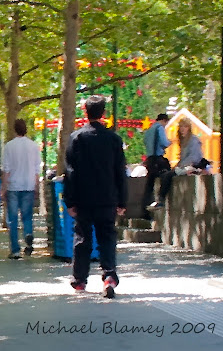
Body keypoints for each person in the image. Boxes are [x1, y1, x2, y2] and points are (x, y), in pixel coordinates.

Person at [64, 96, 127, 299]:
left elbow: (70, 172)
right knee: (107, 236)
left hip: (83, 198)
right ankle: (109, 275)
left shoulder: (77, 138)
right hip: (107, 197)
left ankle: (80, 279)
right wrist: (122, 200)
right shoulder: (114, 140)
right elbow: (120, 172)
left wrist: (70, 200)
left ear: (85, 112)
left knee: (82, 237)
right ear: (104, 113)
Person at [0, 119, 40, 259]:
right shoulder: (33, 146)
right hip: (28, 184)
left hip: (13, 185)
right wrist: (36, 186)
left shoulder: (9, 146)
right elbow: (36, 169)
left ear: (14, 129)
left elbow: (6, 169)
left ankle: (15, 250)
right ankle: (28, 234)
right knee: (27, 215)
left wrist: (3, 188)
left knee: (12, 218)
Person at [148, 117, 206, 209]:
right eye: (181, 127)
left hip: (192, 167)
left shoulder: (194, 140)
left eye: (185, 127)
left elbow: (194, 157)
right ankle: (159, 199)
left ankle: (161, 200)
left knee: (168, 175)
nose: (182, 129)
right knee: (164, 174)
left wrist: (182, 165)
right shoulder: (183, 141)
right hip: (184, 166)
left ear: (189, 128)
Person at [141, 113, 171, 218]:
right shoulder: (160, 128)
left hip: (150, 159)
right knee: (166, 175)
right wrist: (170, 142)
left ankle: (145, 210)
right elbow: (164, 142)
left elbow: (145, 141)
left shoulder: (149, 130)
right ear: (164, 121)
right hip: (158, 159)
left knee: (149, 185)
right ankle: (161, 200)